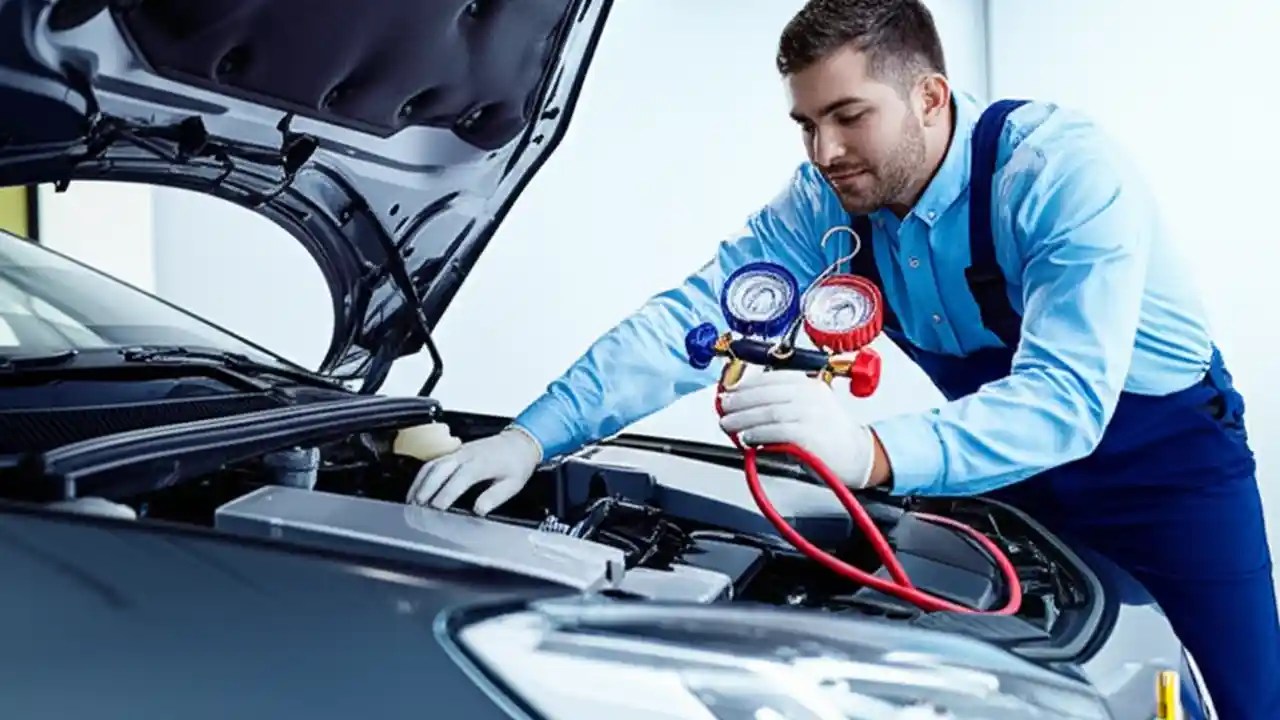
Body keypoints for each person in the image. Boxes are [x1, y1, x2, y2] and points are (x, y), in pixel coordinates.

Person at [407, 0, 1280, 714]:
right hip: (997, 468)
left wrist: (868, 453)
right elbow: (691, 317)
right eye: (807, 123)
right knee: (1012, 688)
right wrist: (530, 438)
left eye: (849, 116)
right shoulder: (826, 203)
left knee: (1244, 697)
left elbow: (1064, 400)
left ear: (931, 97)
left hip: (1166, 471)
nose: (825, 151)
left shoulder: (1060, 173)